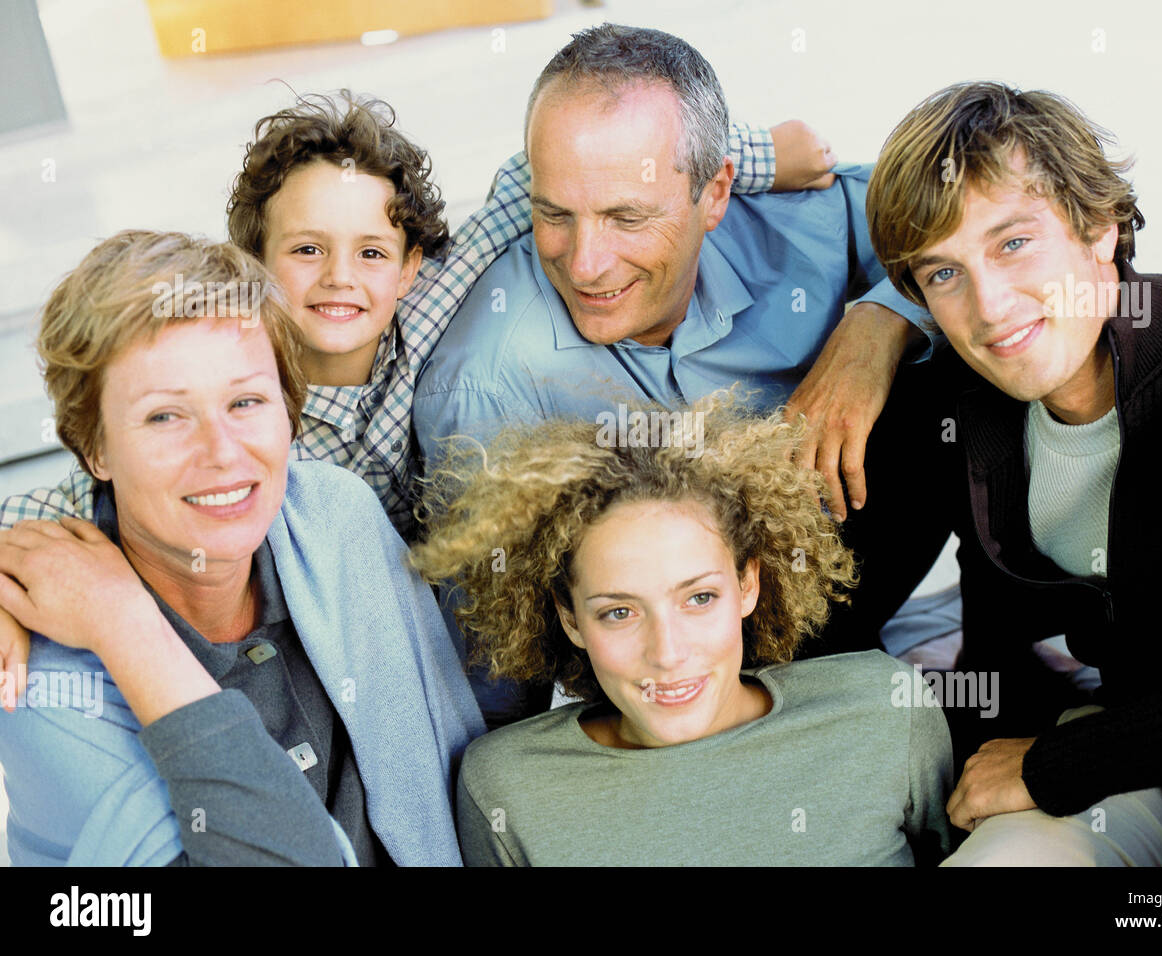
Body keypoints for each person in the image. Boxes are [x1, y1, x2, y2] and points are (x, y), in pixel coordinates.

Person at [412, 23, 956, 720]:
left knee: (962, 364)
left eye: (626, 217)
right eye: (555, 215)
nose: (585, 264)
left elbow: (953, 230)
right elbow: (492, 671)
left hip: (835, 560)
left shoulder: (797, 218)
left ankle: (1001, 660)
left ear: (716, 193)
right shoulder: (484, 378)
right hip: (656, 668)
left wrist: (881, 323)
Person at [3, 91, 813, 542]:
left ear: (410, 265)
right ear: (253, 261)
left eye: (369, 253)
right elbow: (83, 487)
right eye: (306, 251)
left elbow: (533, 170)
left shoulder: (427, 303)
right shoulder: (237, 388)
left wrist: (757, 155)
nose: (340, 280)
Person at [864, 81, 1162, 865]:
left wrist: (1051, 767)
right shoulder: (966, 414)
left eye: (1013, 242)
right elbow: (994, 654)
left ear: (1099, 225)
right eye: (943, 274)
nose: (990, 307)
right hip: (1141, 755)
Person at [0, 232, 484, 865]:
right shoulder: (38, 679)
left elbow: (452, 774)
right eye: (165, 417)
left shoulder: (338, 519)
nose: (223, 453)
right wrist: (127, 630)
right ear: (95, 449)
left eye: (246, 401)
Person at [411, 393, 954, 865]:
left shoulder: (885, 709)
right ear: (570, 617)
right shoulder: (506, 785)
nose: (668, 654)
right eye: (618, 612)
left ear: (748, 585)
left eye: (699, 598)